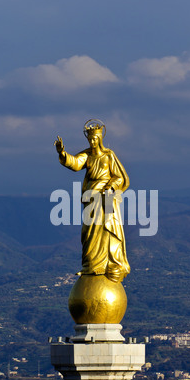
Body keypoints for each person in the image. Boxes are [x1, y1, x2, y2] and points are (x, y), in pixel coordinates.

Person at [54, 120, 130, 283]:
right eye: (90, 140)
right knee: (90, 232)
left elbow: (121, 178)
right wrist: (62, 153)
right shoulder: (87, 155)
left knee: (108, 230)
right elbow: (74, 163)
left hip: (107, 197)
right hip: (91, 198)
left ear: (100, 137)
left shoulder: (109, 155)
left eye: (95, 139)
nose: (92, 142)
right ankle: (92, 265)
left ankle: (111, 263)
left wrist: (110, 186)